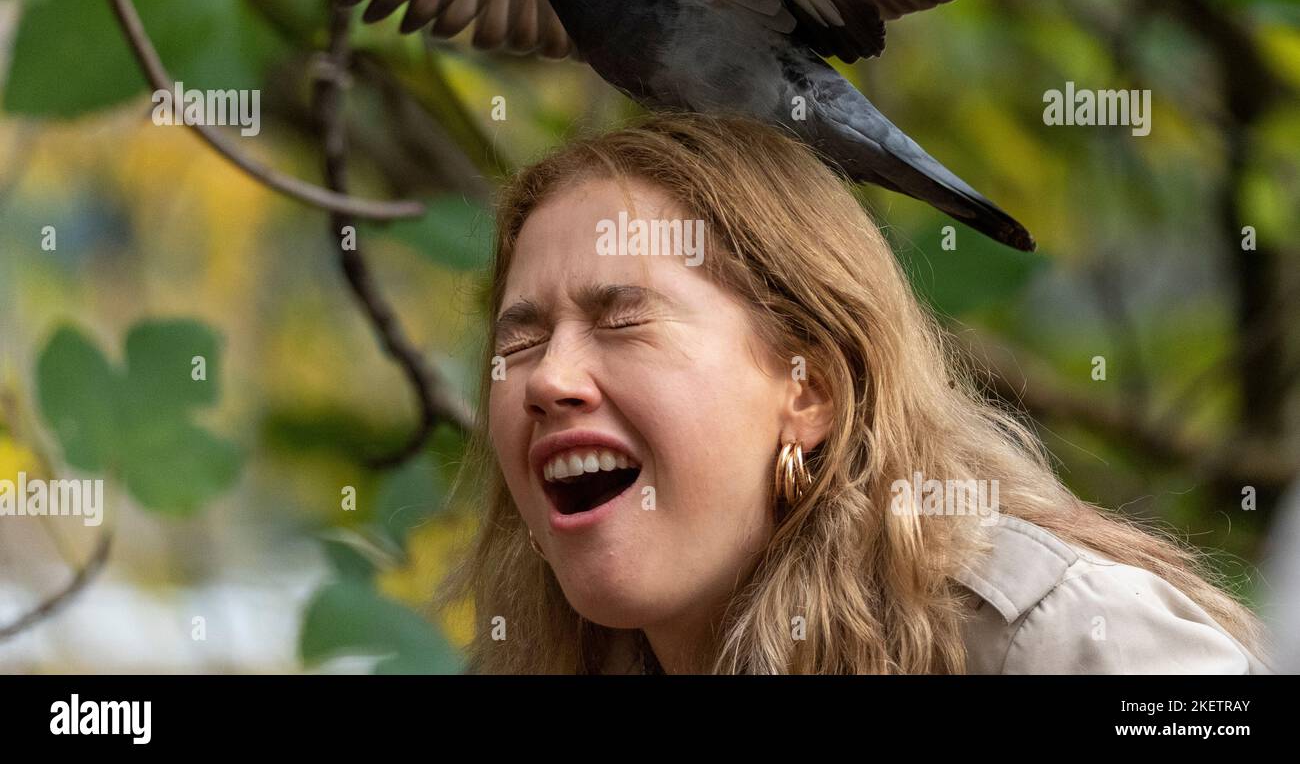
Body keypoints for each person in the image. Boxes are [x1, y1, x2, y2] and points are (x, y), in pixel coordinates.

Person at [434, 112, 1273, 674]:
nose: (547, 378)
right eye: (521, 338)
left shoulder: (1062, 640)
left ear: (812, 390)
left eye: (623, 320)